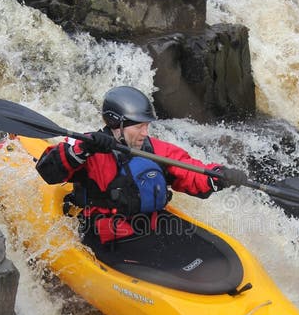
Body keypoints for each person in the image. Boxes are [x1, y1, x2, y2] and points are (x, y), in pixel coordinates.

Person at [35, 85, 245, 245]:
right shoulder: (88, 145)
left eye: (147, 126)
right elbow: (48, 170)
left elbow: (189, 171)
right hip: (106, 237)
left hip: (148, 227)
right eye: (139, 126)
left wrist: (218, 176)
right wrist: (85, 150)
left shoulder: (155, 149)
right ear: (117, 125)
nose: (145, 133)